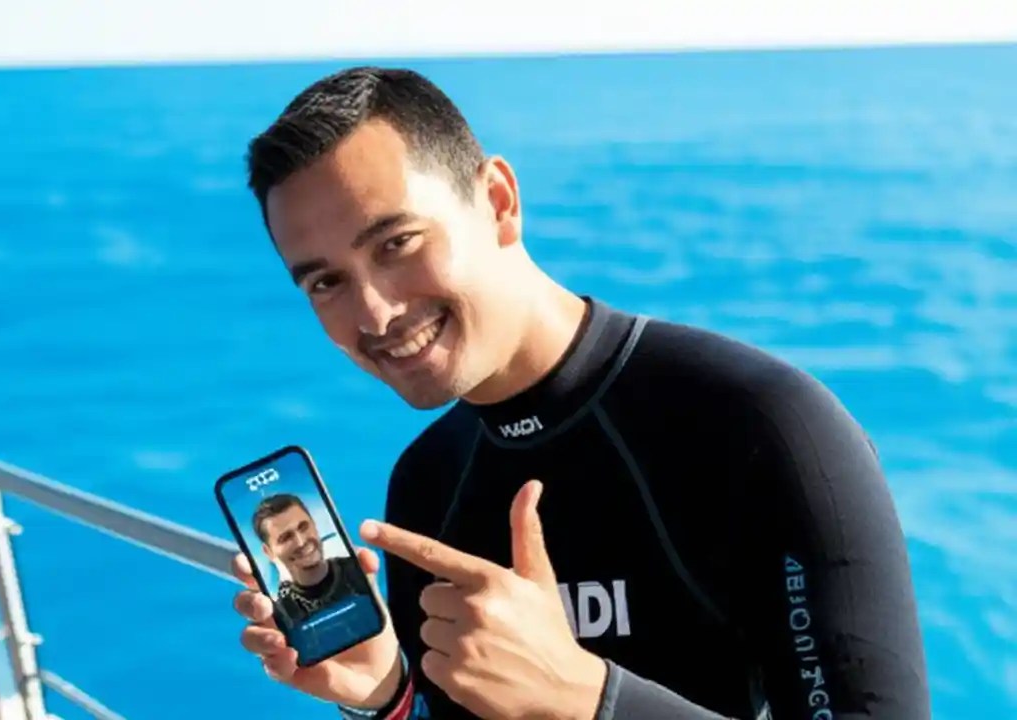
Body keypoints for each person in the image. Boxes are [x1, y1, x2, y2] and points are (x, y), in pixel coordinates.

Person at [229, 65, 931, 720]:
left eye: (397, 243)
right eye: (326, 282)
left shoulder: (767, 428)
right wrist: (387, 694)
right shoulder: (427, 481)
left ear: (499, 202)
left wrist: (592, 696)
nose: (373, 313)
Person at [252, 493, 371, 624]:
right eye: (286, 538)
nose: (301, 542)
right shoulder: (283, 615)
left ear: (314, 524)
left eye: (303, 527)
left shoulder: (359, 571)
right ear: (269, 552)